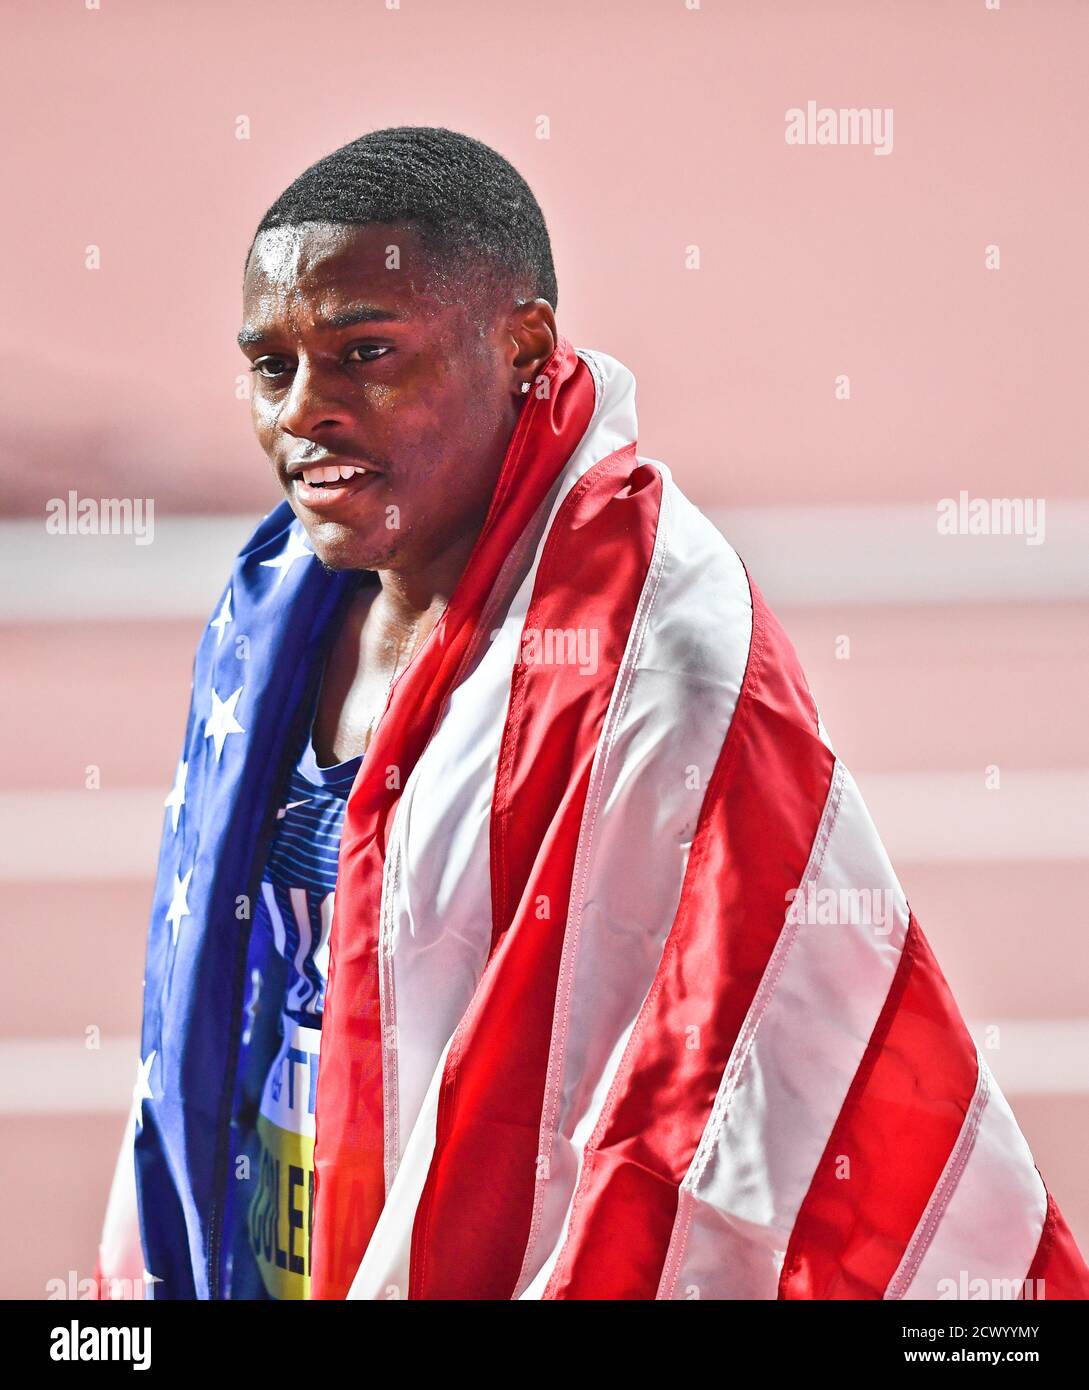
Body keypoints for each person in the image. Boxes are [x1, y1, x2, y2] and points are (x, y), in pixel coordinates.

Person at [97, 126, 1088, 1301]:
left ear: (520, 346)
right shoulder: (274, 609)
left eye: (365, 352)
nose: (304, 412)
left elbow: (717, 1104)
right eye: (273, 369)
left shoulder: (653, 651)